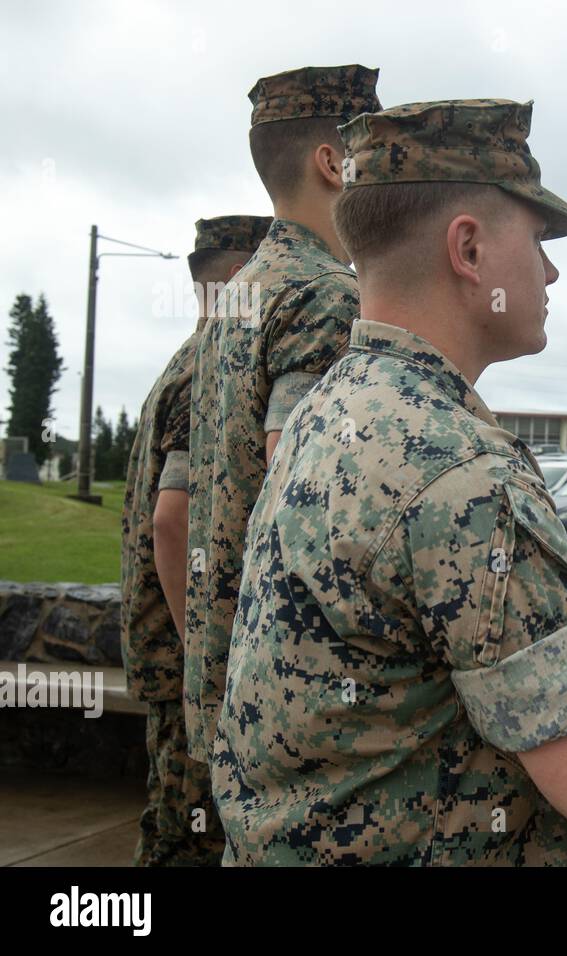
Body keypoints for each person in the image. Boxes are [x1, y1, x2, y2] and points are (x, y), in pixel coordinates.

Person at [209, 98, 567, 865]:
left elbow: (459, 628)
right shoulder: (465, 473)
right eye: (537, 239)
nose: (551, 269)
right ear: (469, 250)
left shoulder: (330, 410)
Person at [185, 65, 380, 763]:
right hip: (298, 696)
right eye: (373, 157)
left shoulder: (241, 294)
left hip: (228, 676)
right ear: (332, 163)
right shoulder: (325, 294)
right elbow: (306, 487)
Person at [120, 214, 271, 865]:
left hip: (174, 664)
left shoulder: (185, 362)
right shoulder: (202, 372)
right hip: (189, 669)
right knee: (189, 841)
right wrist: (208, 662)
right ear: (241, 278)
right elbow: (172, 521)